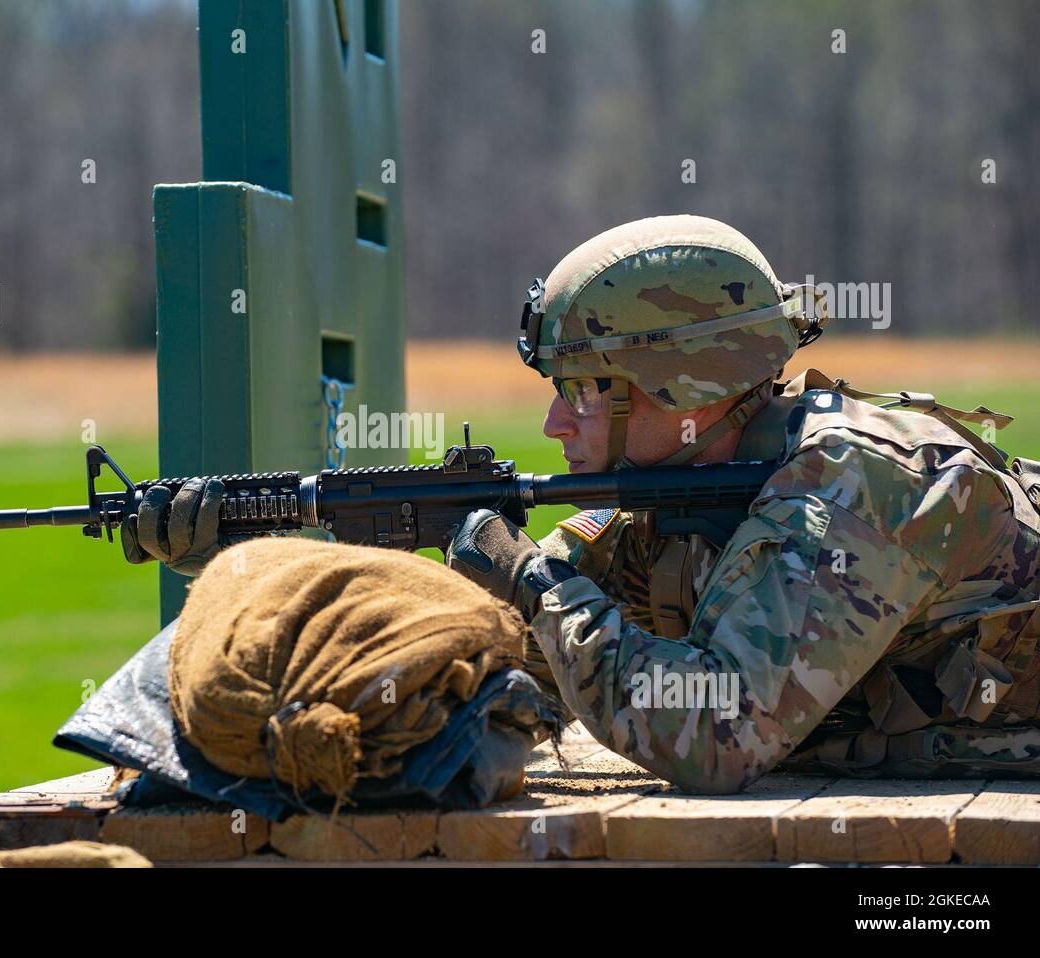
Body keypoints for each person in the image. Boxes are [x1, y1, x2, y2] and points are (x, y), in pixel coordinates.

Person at [124, 214, 1040, 793]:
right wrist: (257, 545)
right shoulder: (684, 494)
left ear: (676, 388)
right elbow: (494, 630)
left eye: (584, 389)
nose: (558, 422)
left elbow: (714, 732)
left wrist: (531, 581)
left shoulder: (851, 488)